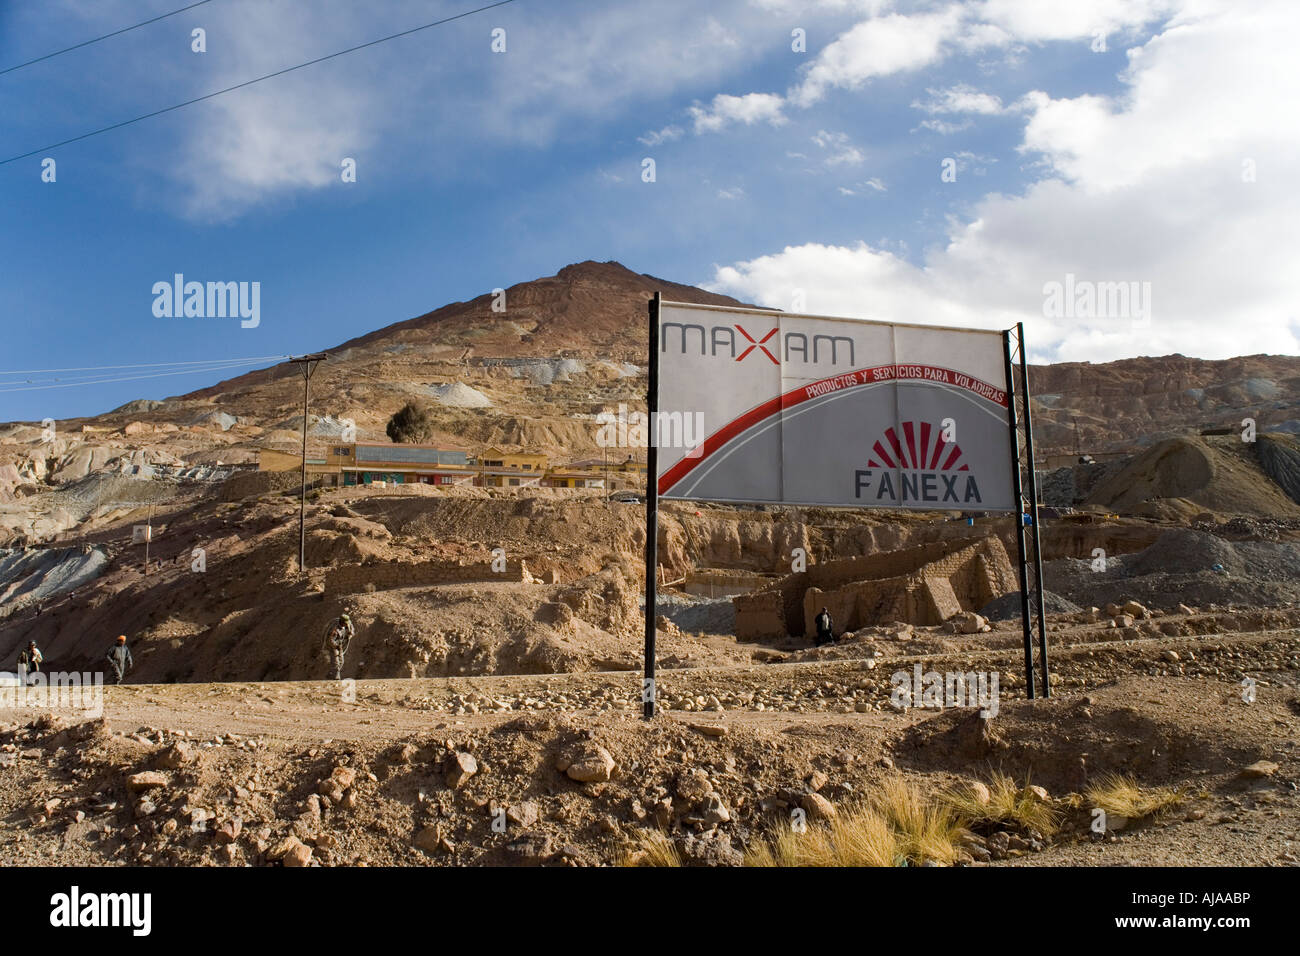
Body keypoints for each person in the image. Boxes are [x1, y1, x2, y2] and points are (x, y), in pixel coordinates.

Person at [322, 612, 355, 680]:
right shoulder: (335, 630)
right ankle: (336, 678)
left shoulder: (348, 625)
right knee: (336, 662)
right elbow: (330, 640)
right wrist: (336, 646)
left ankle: (330, 675)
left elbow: (351, 628)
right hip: (333, 646)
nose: (347, 624)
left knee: (341, 661)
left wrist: (350, 634)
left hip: (340, 645)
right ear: (342, 622)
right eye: (346, 623)